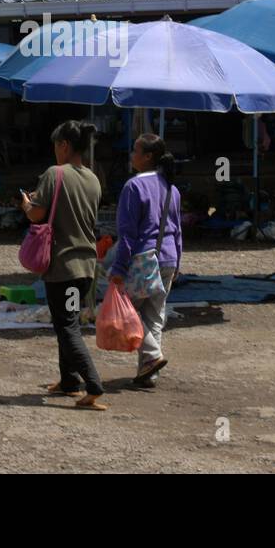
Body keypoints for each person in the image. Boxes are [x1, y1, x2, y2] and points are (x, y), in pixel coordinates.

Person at [21, 120, 105, 411]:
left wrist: (26, 205)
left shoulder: (54, 174)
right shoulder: (93, 179)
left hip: (63, 268)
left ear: (64, 145)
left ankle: (93, 384)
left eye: (56, 145)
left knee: (68, 327)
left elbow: (37, 215)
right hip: (85, 267)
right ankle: (69, 380)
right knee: (64, 322)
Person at [110, 133, 182, 388]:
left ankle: (152, 356)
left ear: (148, 156)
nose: (132, 155)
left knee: (128, 311)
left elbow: (127, 234)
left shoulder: (134, 187)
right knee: (154, 315)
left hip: (143, 259)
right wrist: (178, 263)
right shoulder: (171, 188)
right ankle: (148, 373)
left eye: (135, 150)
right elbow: (178, 229)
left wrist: (118, 267)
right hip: (168, 258)